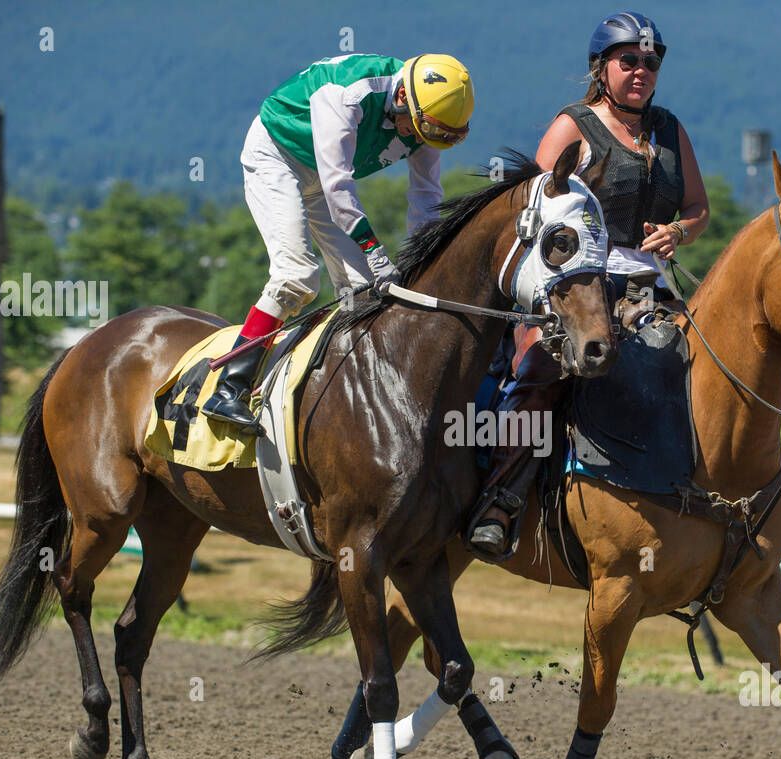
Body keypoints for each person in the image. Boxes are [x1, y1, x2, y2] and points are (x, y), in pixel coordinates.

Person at [469, 11, 709, 557]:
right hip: (579, 289)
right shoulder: (573, 126)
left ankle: (703, 513)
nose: (641, 70)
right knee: (546, 374)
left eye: (651, 61)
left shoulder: (670, 129)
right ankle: (500, 502)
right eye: (630, 60)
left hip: (652, 288)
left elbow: (698, 208)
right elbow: (531, 209)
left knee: (705, 364)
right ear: (602, 68)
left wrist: (680, 231)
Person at [203, 53, 475, 431]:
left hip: (325, 177)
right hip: (277, 158)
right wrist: (375, 253)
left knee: (365, 294)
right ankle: (230, 386)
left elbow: (426, 200)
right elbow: (337, 187)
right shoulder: (348, 94)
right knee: (297, 275)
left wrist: (427, 262)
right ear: (400, 97)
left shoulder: (426, 118)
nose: (413, 139)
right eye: (413, 129)